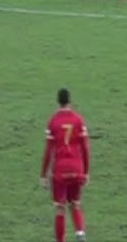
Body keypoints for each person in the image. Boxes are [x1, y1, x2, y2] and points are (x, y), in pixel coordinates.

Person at [41, 88, 90, 242]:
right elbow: (86, 148)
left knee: (60, 208)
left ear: (58, 101)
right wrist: (86, 171)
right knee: (75, 204)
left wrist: (43, 174)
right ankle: (80, 233)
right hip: (77, 167)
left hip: (60, 170)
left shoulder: (53, 121)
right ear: (70, 100)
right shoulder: (78, 120)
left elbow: (49, 150)